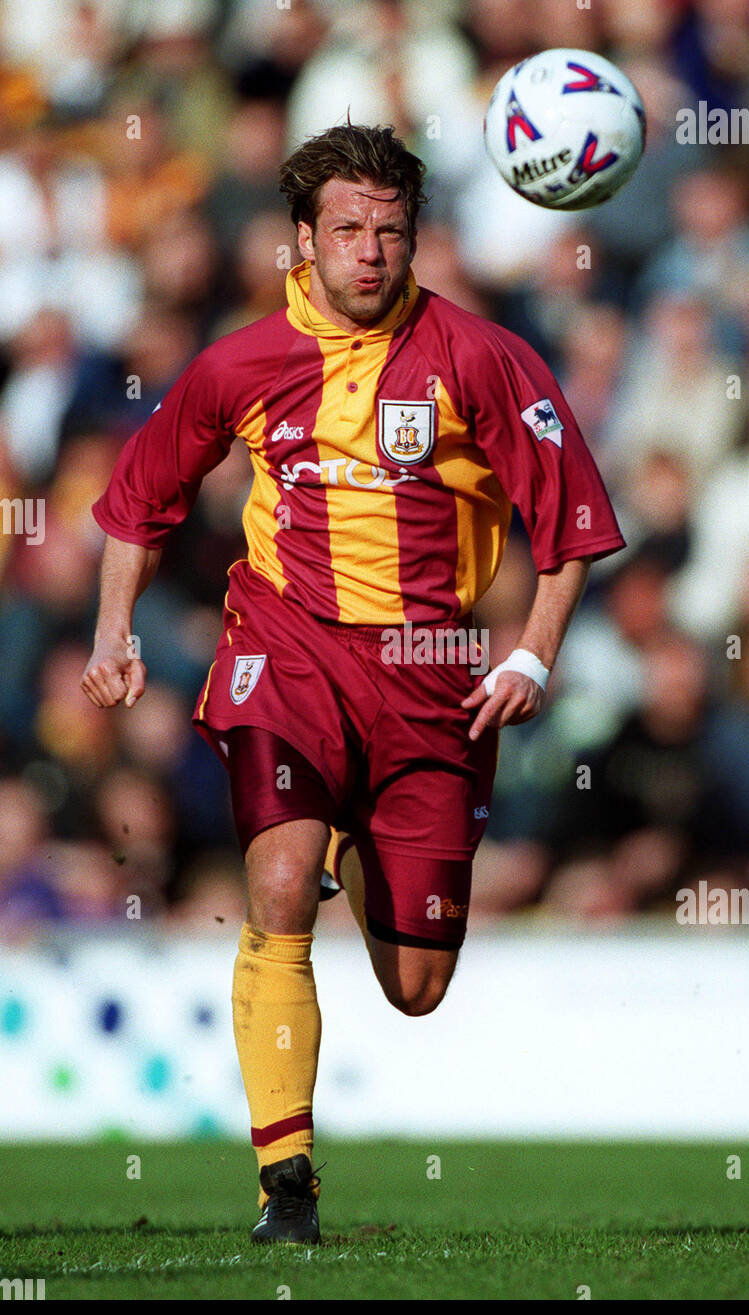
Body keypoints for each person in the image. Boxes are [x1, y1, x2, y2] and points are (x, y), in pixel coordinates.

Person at [81, 123, 624, 1245]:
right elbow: (138, 499)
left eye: (389, 231)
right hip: (285, 647)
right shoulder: (238, 363)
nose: (369, 254)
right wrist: (112, 628)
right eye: (347, 231)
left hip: (431, 676)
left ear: (413, 237)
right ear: (301, 241)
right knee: (276, 886)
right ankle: (287, 1186)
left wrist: (530, 652)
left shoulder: (481, 356)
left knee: (416, 986)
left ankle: (352, 844)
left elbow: (568, 519)